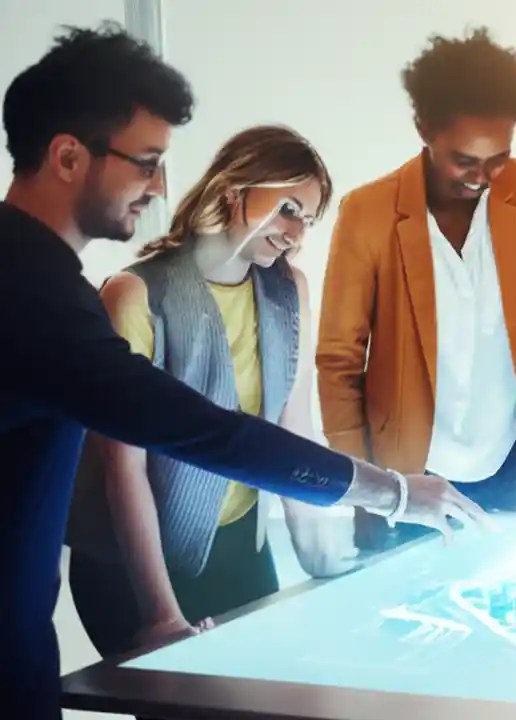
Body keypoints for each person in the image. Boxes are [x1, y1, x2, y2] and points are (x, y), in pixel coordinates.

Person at [0, 24, 484, 719]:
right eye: (144, 161)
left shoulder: (38, 280)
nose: (160, 183)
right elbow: (195, 431)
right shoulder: (41, 295)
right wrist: (393, 494)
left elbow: (268, 425)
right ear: (69, 156)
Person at [64, 125, 361, 662]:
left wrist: (322, 558)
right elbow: (122, 470)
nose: (297, 233)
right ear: (234, 189)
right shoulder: (134, 294)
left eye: (308, 220)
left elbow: (293, 432)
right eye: (289, 209)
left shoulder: (289, 288)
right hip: (135, 566)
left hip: (240, 544)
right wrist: (161, 614)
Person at [317, 27, 516, 555]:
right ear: (424, 129)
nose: (484, 177)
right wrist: (361, 491)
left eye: (498, 158)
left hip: (501, 458)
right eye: (466, 160)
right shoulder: (368, 214)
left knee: (496, 612)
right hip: (405, 475)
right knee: (412, 628)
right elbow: (339, 362)